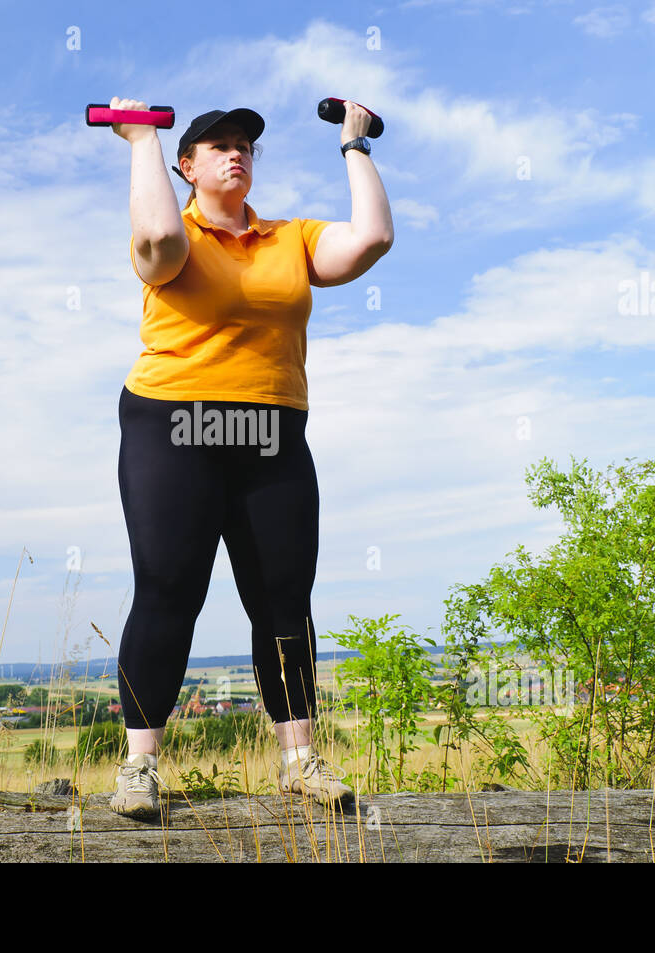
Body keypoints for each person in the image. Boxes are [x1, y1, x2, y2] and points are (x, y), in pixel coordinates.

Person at [107, 96, 393, 819]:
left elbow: (371, 240)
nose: (238, 152)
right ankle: (140, 768)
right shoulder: (176, 235)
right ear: (187, 166)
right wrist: (141, 139)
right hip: (176, 423)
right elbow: (157, 235)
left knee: (283, 598)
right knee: (171, 590)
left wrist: (354, 145)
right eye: (218, 145)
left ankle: (299, 759)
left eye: (246, 145)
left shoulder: (290, 238)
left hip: (270, 432)